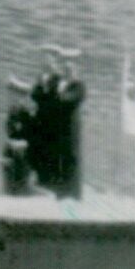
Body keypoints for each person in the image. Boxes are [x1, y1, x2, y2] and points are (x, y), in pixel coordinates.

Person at [29, 45, 86, 198]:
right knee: (52, 161)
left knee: (69, 165)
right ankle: (52, 190)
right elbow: (38, 96)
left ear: (77, 69)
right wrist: (44, 82)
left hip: (69, 135)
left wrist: (53, 92)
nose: (68, 68)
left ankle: (71, 198)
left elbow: (65, 101)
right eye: (66, 65)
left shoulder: (78, 87)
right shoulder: (57, 82)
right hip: (55, 132)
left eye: (72, 66)